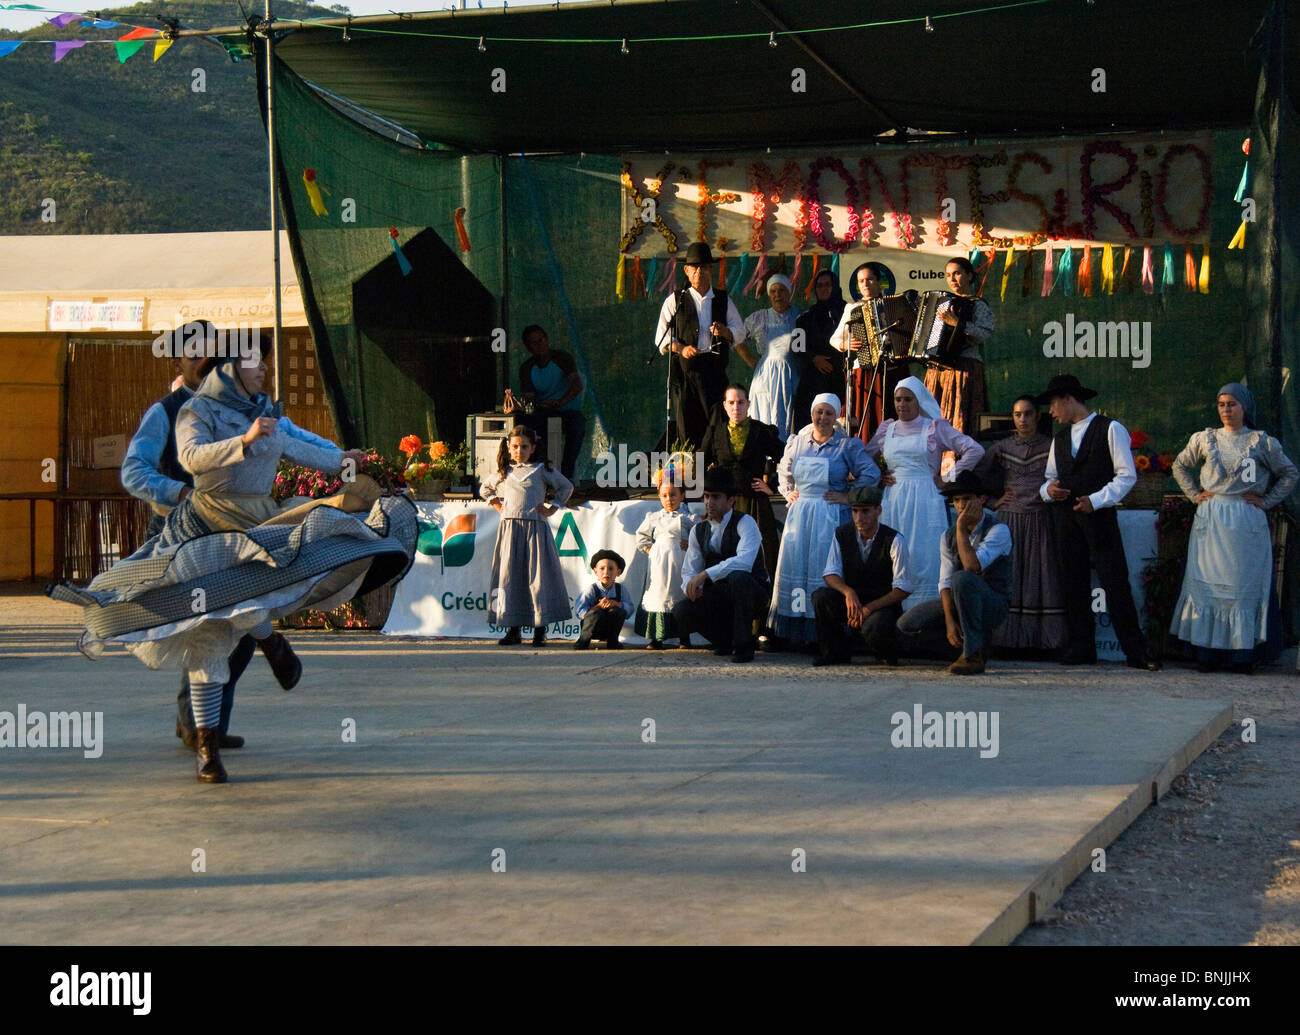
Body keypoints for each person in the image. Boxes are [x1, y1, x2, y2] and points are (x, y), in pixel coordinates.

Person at [51, 344, 416, 784]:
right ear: (227, 368)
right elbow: (190, 458)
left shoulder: (265, 413)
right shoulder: (192, 411)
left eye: (263, 360)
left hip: (259, 523)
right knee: (209, 629)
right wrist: (242, 442)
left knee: (249, 602)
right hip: (205, 527)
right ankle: (208, 744)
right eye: (253, 360)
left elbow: (300, 447)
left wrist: (344, 462)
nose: (263, 367)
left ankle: (265, 643)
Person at [121, 333, 250, 753]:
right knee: (204, 628)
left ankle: (203, 724)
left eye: (212, 354)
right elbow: (134, 471)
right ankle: (197, 726)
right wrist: (178, 493)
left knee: (240, 630)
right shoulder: (164, 412)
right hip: (176, 534)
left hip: (227, 532)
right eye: (194, 354)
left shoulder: (236, 407)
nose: (204, 361)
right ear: (178, 362)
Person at [1169, 382, 1298, 673]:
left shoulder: (1262, 442)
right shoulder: (1205, 439)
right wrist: (1194, 495)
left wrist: (1266, 501)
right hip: (1212, 519)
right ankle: (1207, 653)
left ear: (1244, 407)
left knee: (1241, 587)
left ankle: (1241, 655)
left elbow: (1289, 473)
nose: (1226, 410)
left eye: (1232, 404)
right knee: (1208, 585)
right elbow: (1179, 465)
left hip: (1245, 520)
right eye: (1222, 404)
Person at [1036, 374, 1159, 670]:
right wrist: (1050, 491)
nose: (1051, 412)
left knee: (1114, 581)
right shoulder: (1060, 438)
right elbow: (1048, 479)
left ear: (1068, 398)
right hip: (1067, 518)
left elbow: (1126, 475)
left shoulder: (1111, 428)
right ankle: (1082, 647)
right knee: (1073, 583)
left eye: (1053, 404)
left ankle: (1135, 650)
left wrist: (1096, 499)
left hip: (1099, 517)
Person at [865, 376, 984, 612]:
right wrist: (879, 476)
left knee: (925, 553)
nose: (902, 404)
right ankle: (890, 614)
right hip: (894, 499)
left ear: (918, 401)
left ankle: (927, 613)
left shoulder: (933, 427)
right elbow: (863, 458)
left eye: (908, 399)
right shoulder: (887, 428)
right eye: (898, 399)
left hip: (926, 499)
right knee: (894, 553)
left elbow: (974, 450)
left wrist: (948, 478)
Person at [769, 393, 878, 646]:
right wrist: (789, 493)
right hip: (801, 515)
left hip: (829, 516)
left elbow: (870, 473)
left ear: (835, 416)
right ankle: (797, 630)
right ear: (812, 414)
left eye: (829, 413)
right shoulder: (797, 443)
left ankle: (825, 633)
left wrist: (848, 497)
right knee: (798, 568)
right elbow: (783, 472)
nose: (823, 417)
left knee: (824, 569)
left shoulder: (845, 445)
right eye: (819, 412)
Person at [974, 394, 1068, 651]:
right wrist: (993, 501)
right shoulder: (1002, 447)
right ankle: (1006, 640)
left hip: (1040, 519)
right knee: (1009, 575)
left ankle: (1043, 641)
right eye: (1018, 414)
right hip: (1010, 519)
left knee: (1041, 575)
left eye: (1028, 414)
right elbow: (977, 477)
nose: (1023, 419)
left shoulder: (1052, 446)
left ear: (1038, 416)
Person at [896, 471, 1013, 675]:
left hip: (992, 603)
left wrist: (960, 526)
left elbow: (971, 566)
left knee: (963, 578)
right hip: (960, 600)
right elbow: (945, 581)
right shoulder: (947, 536)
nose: (960, 506)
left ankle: (973, 654)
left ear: (981, 499)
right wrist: (950, 621)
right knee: (907, 624)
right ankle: (962, 647)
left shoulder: (998, 530)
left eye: (966, 499)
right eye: (957, 500)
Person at [481, 424, 573, 647]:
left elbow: (566, 487)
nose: (519, 451)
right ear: (509, 447)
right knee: (511, 578)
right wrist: (499, 507)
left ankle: (539, 630)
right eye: (515, 446)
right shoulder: (506, 471)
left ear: (533, 448)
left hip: (535, 530)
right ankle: (513, 629)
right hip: (511, 530)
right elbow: (485, 489)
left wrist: (552, 508)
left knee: (538, 578)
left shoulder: (542, 469)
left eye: (524, 447)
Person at [653, 241, 746, 449]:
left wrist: (725, 332)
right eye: (694, 267)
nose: (699, 272)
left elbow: (740, 333)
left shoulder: (723, 299)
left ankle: (713, 469)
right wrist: (681, 349)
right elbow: (662, 338)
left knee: (716, 424)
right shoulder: (675, 300)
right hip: (686, 376)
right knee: (687, 426)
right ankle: (688, 471)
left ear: (711, 270)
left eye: (704, 267)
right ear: (686, 271)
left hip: (714, 373)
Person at [812, 484, 914, 667]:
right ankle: (834, 653)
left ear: (878, 510)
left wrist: (868, 608)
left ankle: (885, 652)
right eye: (855, 511)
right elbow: (830, 573)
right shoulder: (842, 534)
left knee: (876, 627)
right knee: (821, 596)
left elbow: (902, 589)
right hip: (853, 600)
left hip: (882, 604)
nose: (859, 518)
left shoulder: (894, 540)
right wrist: (848, 592)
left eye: (865, 511)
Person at [673, 469, 769, 663]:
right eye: (706, 497)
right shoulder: (699, 530)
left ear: (731, 500)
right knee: (682, 610)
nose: (709, 502)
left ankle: (744, 646)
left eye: (715, 497)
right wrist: (692, 587)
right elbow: (689, 570)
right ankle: (723, 640)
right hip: (720, 594)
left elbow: (744, 563)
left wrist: (705, 575)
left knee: (738, 577)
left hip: (752, 593)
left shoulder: (745, 522)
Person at [701, 383, 783, 578]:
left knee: (760, 553)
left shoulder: (762, 431)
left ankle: (762, 599)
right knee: (723, 551)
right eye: (731, 403)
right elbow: (700, 461)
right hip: (724, 505)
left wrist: (772, 485)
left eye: (740, 402)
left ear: (748, 404)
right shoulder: (715, 432)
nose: (736, 407)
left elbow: (787, 457)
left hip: (754, 502)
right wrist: (711, 491)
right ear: (725, 405)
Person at [831, 261, 911, 441]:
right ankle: (867, 447)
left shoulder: (896, 304)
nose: (865, 284)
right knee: (867, 414)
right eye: (861, 281)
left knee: (891, 409)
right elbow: (835, 339)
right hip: (865, 368)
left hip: (893, 369)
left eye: (869, 279)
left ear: (879, 282)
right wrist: (847, 344)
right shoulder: (852, 308)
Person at [503, 324, 586, 482]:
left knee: (577, 425)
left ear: (547, 340)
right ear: (528, 347)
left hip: (567, 410)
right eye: (534, 343)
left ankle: (566, 474)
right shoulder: (527, 367)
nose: (540, 345)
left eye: (541, 340)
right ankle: (533, 474)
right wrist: (519, 406)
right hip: (543, 412)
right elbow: (529, 399)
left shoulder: (562, 358)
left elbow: (577, 385)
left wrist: (560, 402)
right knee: (521, 424)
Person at [922, 257, 995, 436]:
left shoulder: (977, 304)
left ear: (969, 276)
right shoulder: (942, 304)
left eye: (957, 273)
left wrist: (958, 323)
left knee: (960, 418)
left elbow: (984, 333)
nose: (952, 279)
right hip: (938, 371)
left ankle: (959, 459)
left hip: (964, 368)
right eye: (948, 275)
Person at [736, 273, 801, 440]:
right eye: (773, 291)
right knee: (764, 416)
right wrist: (750, 359)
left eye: (781, 290)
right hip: (765, 376)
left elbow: (802, 349)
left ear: (789, 292)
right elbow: (737, 338)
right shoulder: (760, 317)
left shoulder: (799, 317)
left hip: (790, 375)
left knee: (787, 419)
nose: (777, 295)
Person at [633, 476, 696, 649]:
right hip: (659, 563)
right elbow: (641, 535)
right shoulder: (654, 517)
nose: (669, 499)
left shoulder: (689, 517)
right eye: (665, 495)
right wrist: (649, 548)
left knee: (679, 595)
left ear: (682, 495)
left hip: (680, 562)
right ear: (659, 497)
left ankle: (684, 636)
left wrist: (689, 543)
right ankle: (656, 637)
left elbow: (700, 534)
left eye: (673, 494)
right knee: (658, 595)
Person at [792, 268, 847, 434]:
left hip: (839, 380)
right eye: (820, 285)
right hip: (812, 380)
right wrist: (814, 358)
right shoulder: (804, 317)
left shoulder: (847, 313)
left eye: (828, 285)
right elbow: (796, 346)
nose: (824, 289)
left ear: (836, 287)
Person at [574, 549, 629, 650]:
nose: (606, 572)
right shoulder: (591, 590)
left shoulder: (620, 589)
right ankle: (583, 642)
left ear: (618, 572)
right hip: (592, 630)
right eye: (602, 568)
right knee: (596, 613)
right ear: (595, 571)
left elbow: (630, 609)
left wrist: (618, 604)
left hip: (609, 630)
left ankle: (613, 642)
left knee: (618, 611)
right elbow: (579, 610)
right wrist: (597, 607)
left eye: (611, 569)